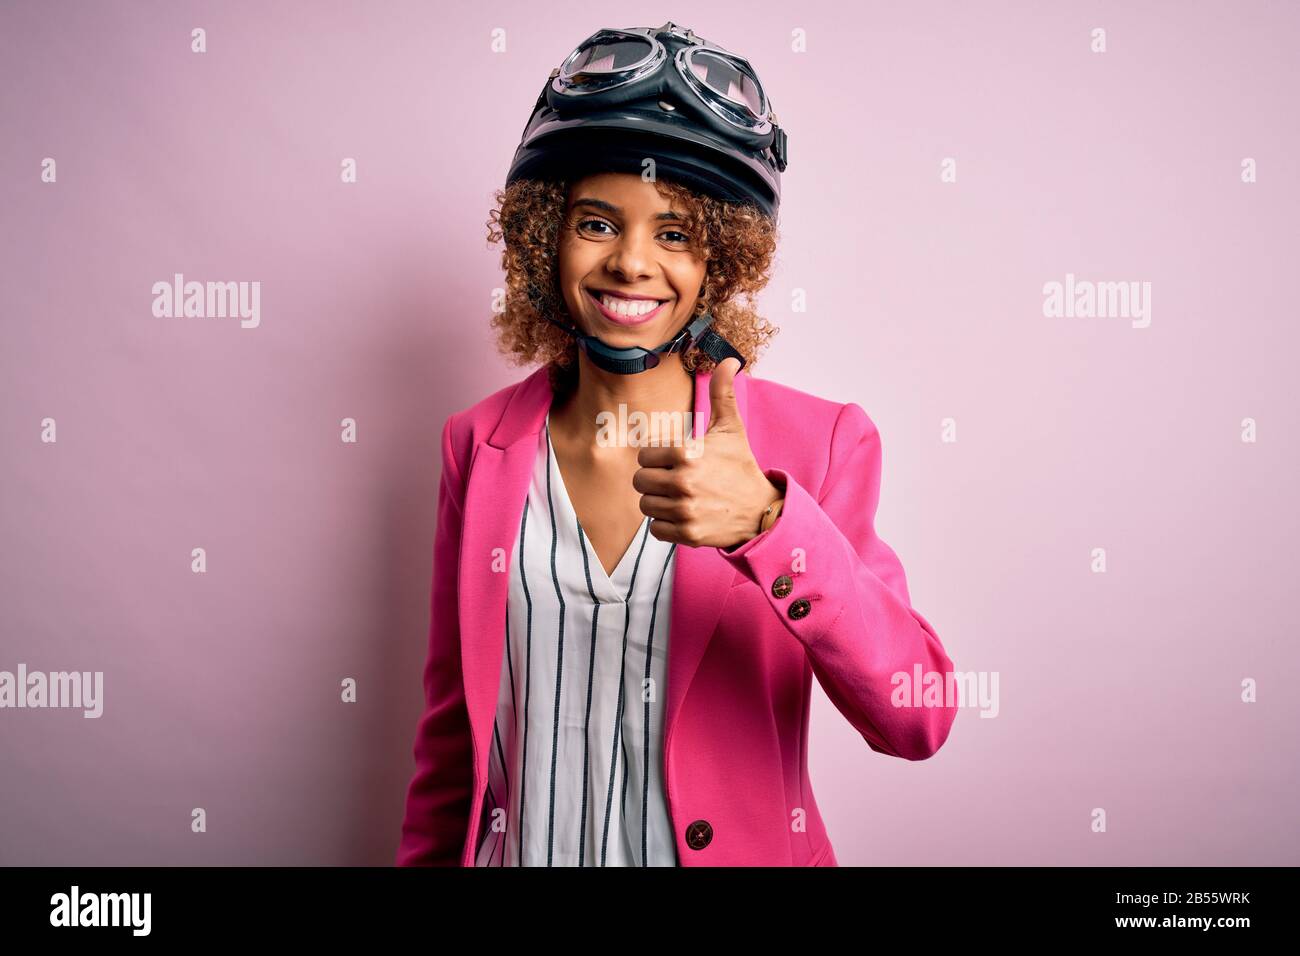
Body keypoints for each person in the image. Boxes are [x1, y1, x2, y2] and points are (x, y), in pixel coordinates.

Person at [397, 22, 958, 867]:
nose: (630, 263)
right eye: (595, 222)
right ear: (544, 236)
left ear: (719, 262)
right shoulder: (475, 445)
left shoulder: (820, 444)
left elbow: (918, 718)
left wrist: (769, 524)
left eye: (674, 233)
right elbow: (450, 746)